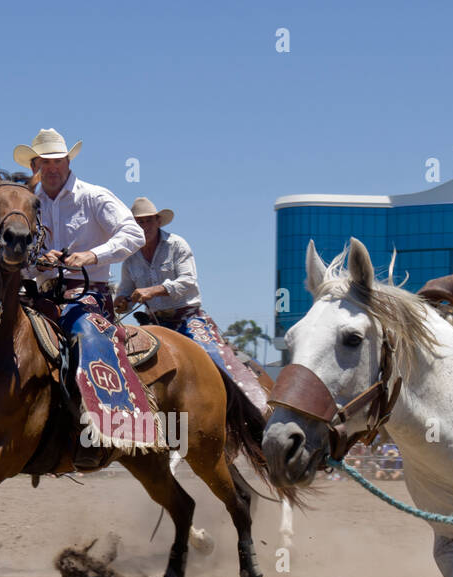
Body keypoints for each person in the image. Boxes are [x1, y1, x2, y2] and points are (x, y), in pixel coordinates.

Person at [115, 196, 270, 415]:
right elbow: (125, 290)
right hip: (154, 323)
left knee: (213, 354)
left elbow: (188, 281)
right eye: (138, 222)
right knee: (126, 360)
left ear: (158, 221)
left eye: (148, 221)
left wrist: (153, 290)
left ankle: (250, 406)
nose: (143, 226)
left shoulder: (176, 245)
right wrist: (122, 301)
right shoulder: (130, 258)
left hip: (188, 319)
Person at [16, 128, 142, 320]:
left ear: (68, 162)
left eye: (58, 161)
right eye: (45, 162)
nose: (52, 168)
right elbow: (17, 265)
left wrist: (92, 255)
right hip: (41, 297)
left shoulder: (93, 196)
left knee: (86, 336)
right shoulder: (26, 206)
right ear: (34, 167)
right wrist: (38, 265)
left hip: (88, 296)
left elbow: (134, 234)